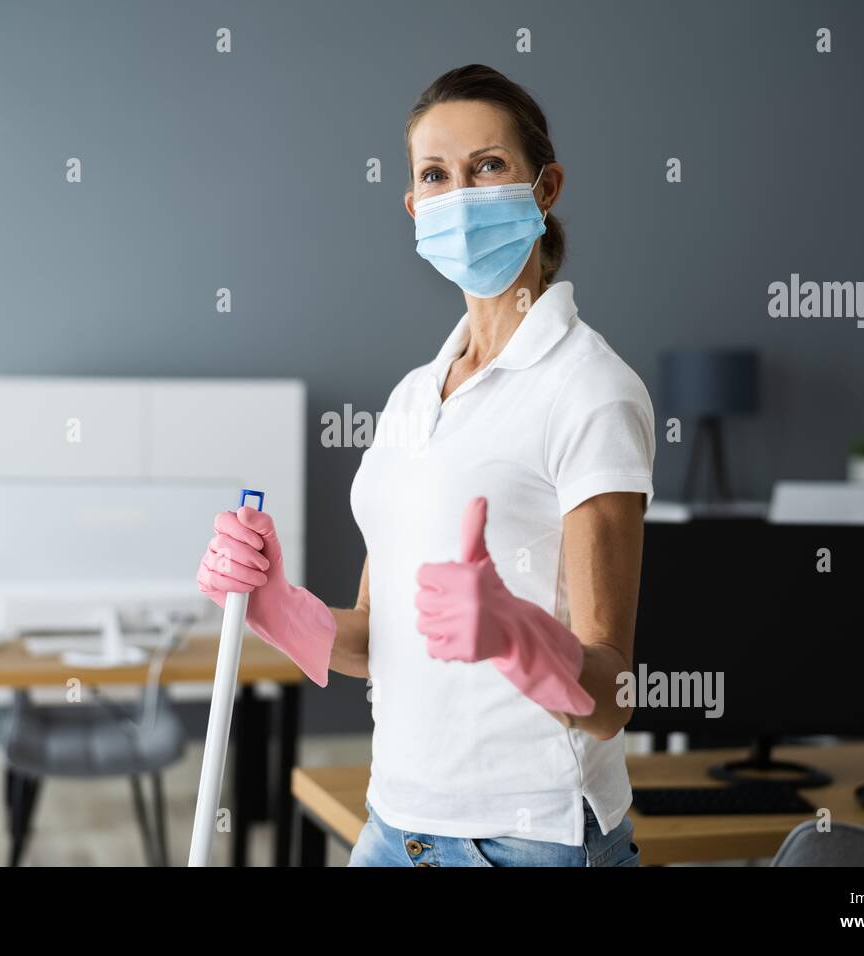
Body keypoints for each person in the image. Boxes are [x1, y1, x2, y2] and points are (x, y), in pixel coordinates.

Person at [198, 64, 654, 867]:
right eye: (436, 176)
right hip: (394, 824)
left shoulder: (591, 389)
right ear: (414, 207)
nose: (462, 197)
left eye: (489, 167)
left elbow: (612, 696)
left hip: (527, 838)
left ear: (545, 187)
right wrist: (270, 601)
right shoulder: (413, 398)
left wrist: (518, 636)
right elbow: (380, 642)